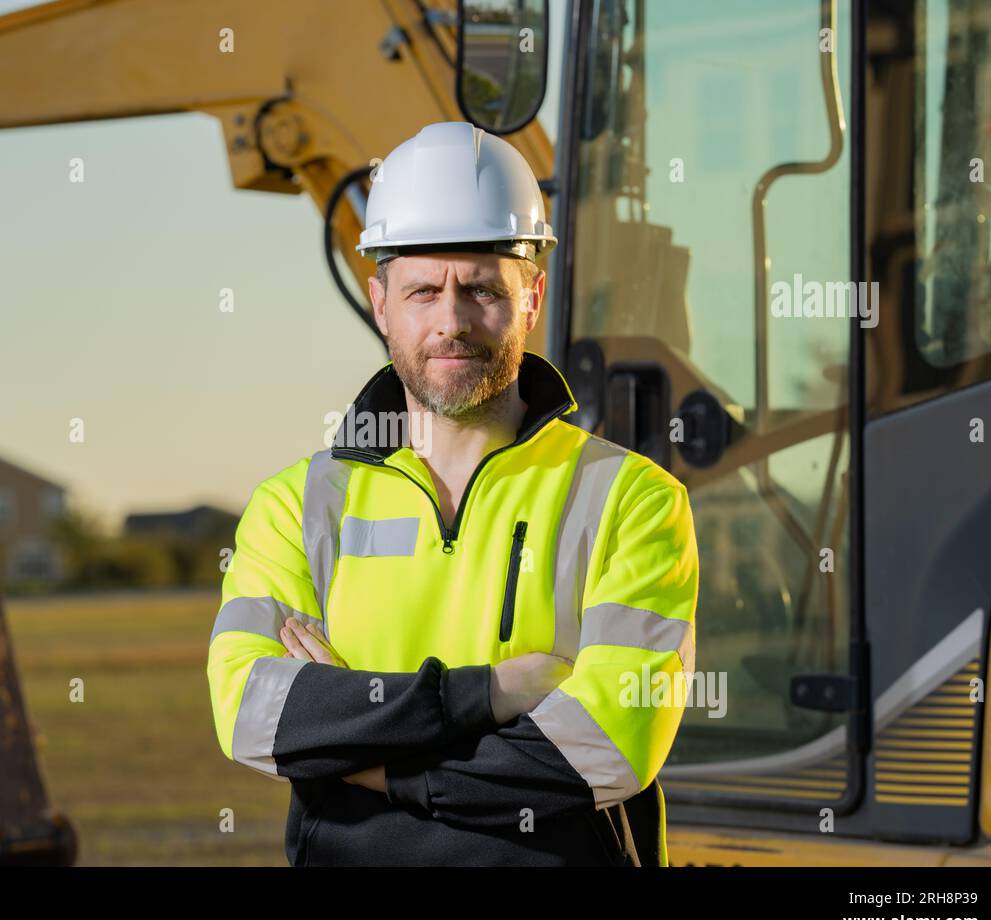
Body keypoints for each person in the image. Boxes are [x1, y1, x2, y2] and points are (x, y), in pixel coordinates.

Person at [207, 121, 699, 866]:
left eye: (480, 290)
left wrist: (362, 749)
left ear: (531, 299)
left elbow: (603, 749)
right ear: (380, 304)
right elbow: (252, 715)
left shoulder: (631, 500)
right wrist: (490, 695)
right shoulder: (296, 506)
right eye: (423, 291)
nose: (452, 322)